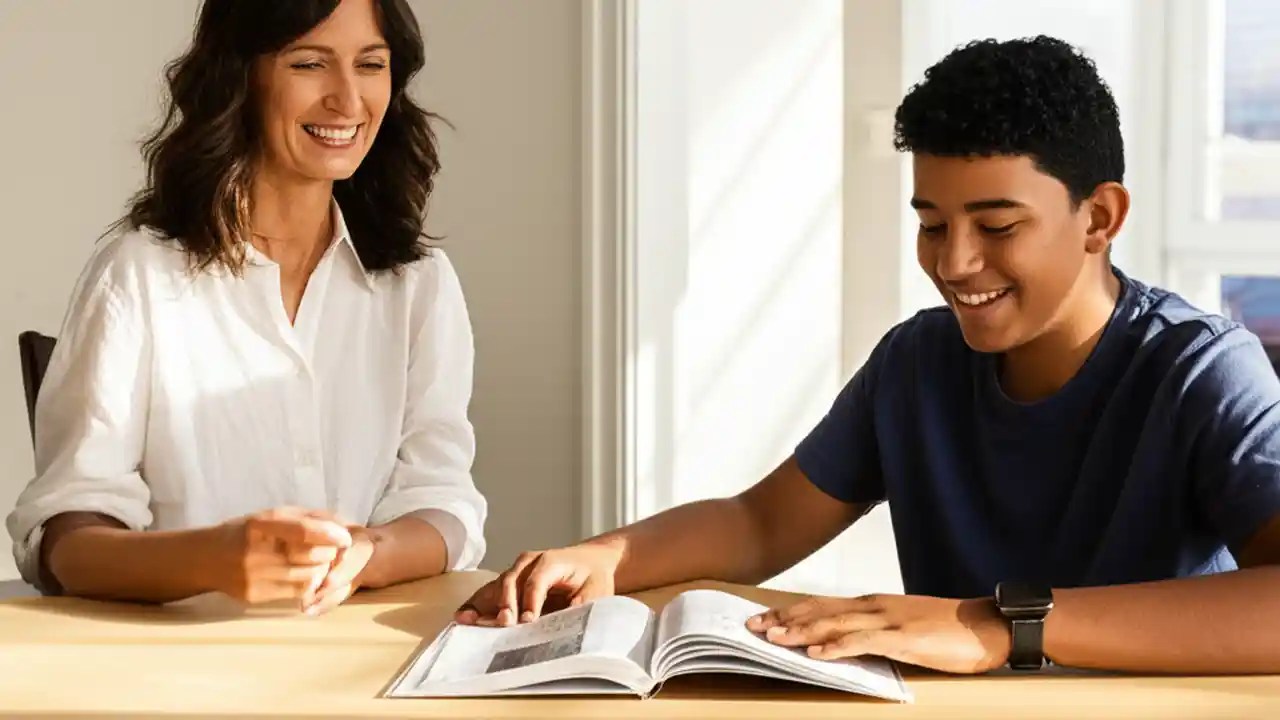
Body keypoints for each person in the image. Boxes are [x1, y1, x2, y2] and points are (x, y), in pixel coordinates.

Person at [457, 36, 1280, 674]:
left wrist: (998, 626)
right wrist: (605, 557)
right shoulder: (918, 362)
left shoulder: (1202, 371)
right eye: (932, 224)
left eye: (997, 226)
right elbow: (760, 523)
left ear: (1099, 218)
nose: (954, 262)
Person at [6, 0, 486, 615]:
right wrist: (212, 560)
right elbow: (64, 542)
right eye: (309, 64)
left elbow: (443, 500)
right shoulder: (139, 274)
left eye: (371, 65)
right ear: (241, 76)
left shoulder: (419, 282)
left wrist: (370, 553)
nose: (348, 99)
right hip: (180, 657)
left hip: (361, 650)